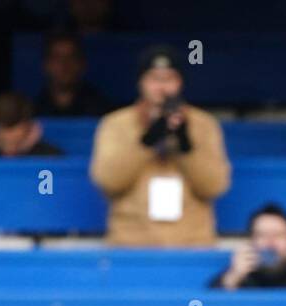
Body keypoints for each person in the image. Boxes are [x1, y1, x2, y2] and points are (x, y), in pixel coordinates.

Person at [89, 44, 231, 247]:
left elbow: (214, 186)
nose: (162, 87)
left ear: (180, 83)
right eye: (154, 78)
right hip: (131, 245)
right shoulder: (115, 124)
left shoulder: (203, 124)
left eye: (169, 79)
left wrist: (185, 143)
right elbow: (108, 181)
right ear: (141, 82)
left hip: (192, 243)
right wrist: (148, 140)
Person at [208, 204, 286, 290]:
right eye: (262, 235)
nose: (270, 243)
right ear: (251, 241)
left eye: (278, 235)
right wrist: (233, 277)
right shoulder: (237, 278)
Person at [0, 91, 63, 157]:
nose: (9, 152)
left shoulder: (52, 159)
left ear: (31, 129)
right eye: (3, 142)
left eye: (17, 143)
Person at [34, 31, 112, 117]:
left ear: (82, 64)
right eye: (57, 57)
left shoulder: (102, 110)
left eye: (71, 57)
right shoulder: (34, 110)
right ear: (46, 64)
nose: (64, 64)